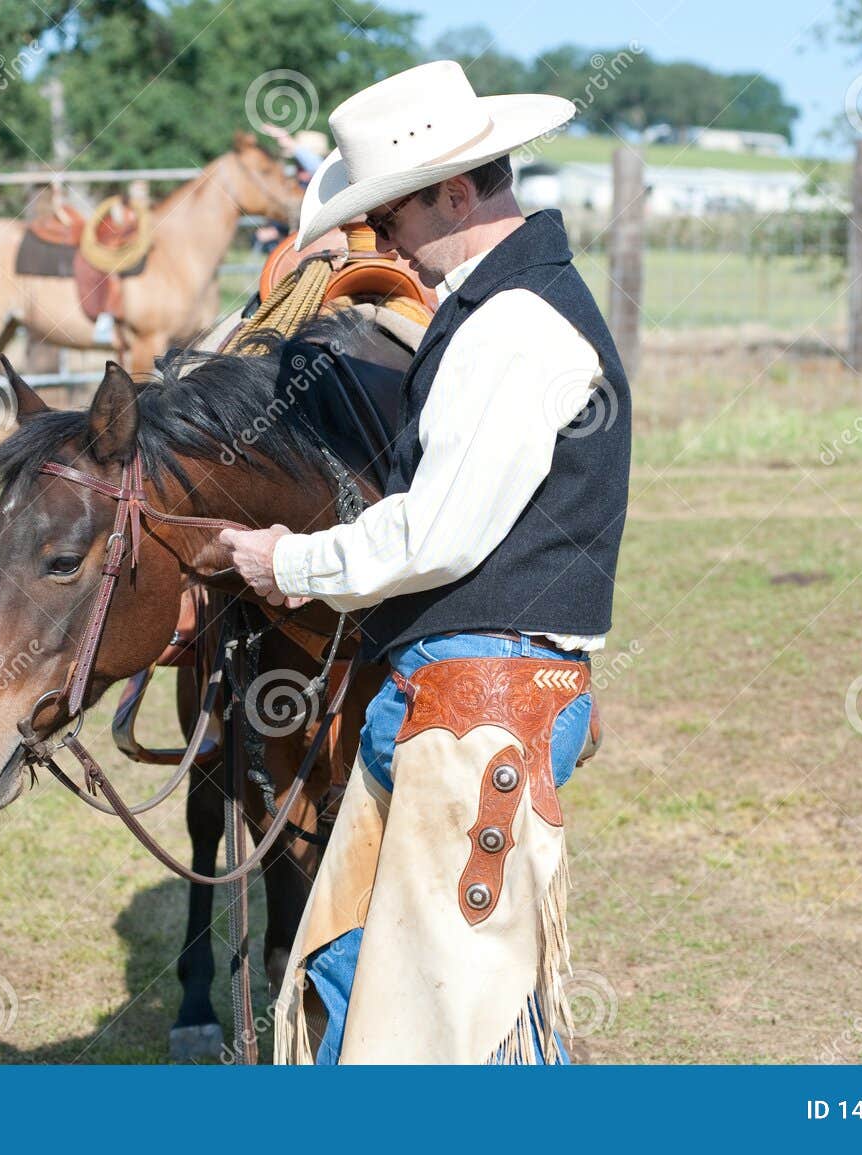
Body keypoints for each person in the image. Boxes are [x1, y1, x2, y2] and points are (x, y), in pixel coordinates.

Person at [219, 60, 632, 1064]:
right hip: (461, 699)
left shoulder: (512, 329)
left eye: (389, 218)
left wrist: (291, 562)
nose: (382, 244)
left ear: (454, 195)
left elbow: (433, 534)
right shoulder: (505, 313)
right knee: (410, 986)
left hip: (477, 709)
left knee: (436, 1006)